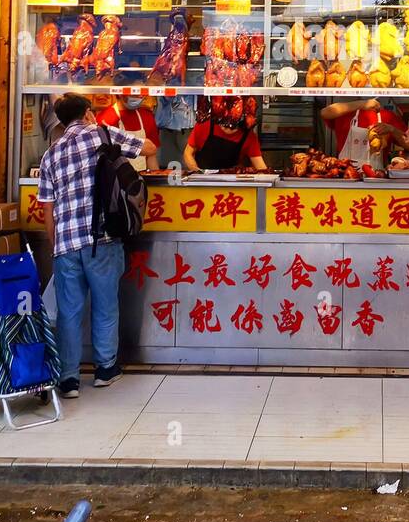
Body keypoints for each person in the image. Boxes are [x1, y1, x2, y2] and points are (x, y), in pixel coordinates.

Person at [37, 93, 155, 398]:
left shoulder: (51, 154)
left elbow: (47, 210)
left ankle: (69, 379)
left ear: (61, 121)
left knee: (69, 312)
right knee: (105, 306)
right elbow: (149, 147)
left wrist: (57, 246)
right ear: (89, 113)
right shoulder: (102, 133)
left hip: (66, 243)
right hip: (102, 238)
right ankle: (105, 370)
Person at [319, 97, 409, 170]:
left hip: (376, 178)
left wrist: (392, 129)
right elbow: (324, 112)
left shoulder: (387, 116)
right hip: (345, 176)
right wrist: (361, 104)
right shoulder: (345, 112)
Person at [184, 96, 269, 171]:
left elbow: (261, 167)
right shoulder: (205, 126)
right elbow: (188, 154)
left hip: (231, 186)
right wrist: (198, 174)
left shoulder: (248, 137)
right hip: (203, 184)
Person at [96, 94, 160, 170]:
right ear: (120, 93)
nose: (139, 96)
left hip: (142, 177)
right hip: (116, 178)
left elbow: (151, 153)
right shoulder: (104, 119)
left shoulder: (147, 116)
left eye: (141, 93)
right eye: (134, 93)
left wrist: (154, 179)